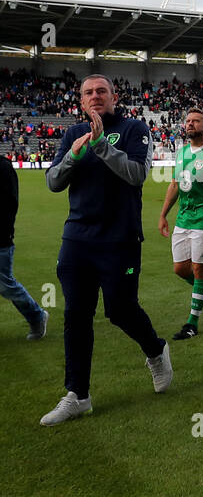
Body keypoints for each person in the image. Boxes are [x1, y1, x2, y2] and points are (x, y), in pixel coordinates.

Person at [41, 75, 172, 426]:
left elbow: (135, 175)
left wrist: (101, 145)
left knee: (120, 310)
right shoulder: (71, 135)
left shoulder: (133, 129)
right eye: (88, 92)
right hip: (78, 239)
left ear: (114, 96)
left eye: (102, 91)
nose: (95, 96)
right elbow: (53, 182)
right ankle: (77, 395)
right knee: (76, 315)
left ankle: (156, 351)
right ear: (81, 101)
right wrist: (74, 153)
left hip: (120, 239)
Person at [157, 108, 203, 340]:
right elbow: (174, 185)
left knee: (200, 270)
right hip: (183, 218)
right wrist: (163, 214)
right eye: (188, 121)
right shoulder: (181, 152)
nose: (190, 124)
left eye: (196, 121)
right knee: (180, 269)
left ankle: (192, 324)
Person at [2, 154, 48, 340]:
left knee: (5, 284)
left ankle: (36, 315)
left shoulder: (3, 168)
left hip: (0, 238)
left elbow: (9, 204)